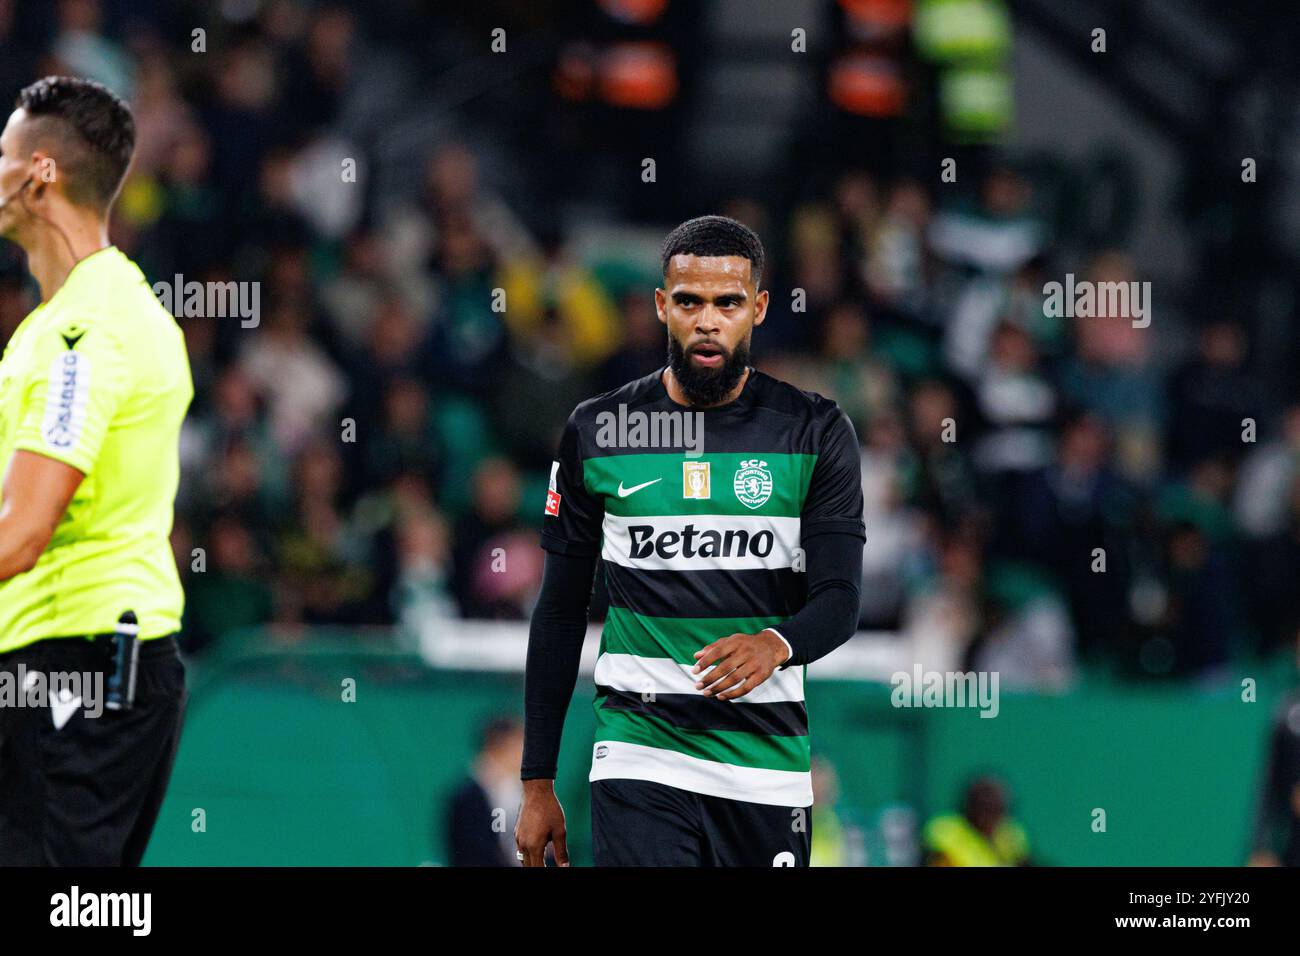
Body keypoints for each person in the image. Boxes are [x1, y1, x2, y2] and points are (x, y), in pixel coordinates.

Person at [515, 215, 865, 867]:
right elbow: (560, 609)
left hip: (765, 767)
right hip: (639, 753)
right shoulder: (600, 430)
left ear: (758, 308)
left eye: (728, 302)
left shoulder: (815, 431)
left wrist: (776, 644)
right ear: (660, 307)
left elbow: (840, 599)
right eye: (689, 302)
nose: (708, 321)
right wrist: (537, 782)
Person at [0, 76, 193, 866]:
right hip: (90, 663)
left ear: (38, 172)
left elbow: (24, 529)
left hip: (73, 664)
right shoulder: (112, 311)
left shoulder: (83, 332)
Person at [443, 716, 524, 867]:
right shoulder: (466, 800)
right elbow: (473, 854)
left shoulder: (521, 793)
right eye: (520, 745)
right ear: (501, 746)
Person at [923, 775, 1031, 866]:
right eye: (984, 809)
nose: (989, 818)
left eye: (996, 810)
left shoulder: (1009, 834)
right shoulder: (946, 830)